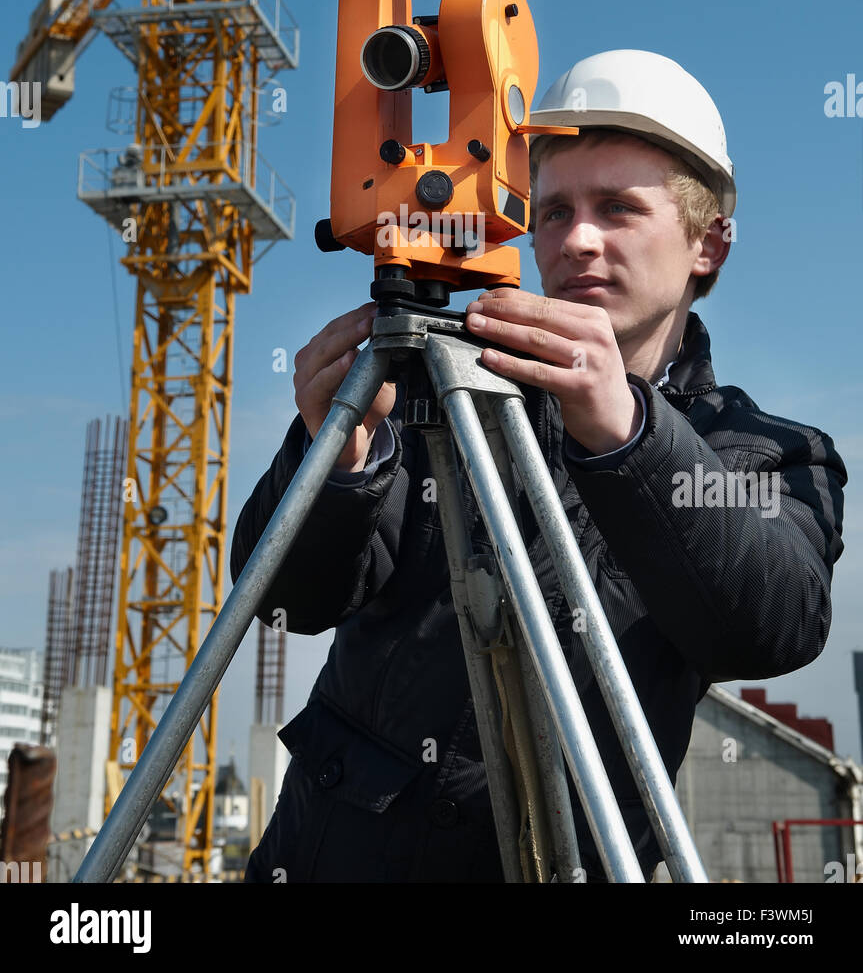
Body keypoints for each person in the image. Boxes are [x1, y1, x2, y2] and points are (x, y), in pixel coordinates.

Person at [230, 49, 846, 883]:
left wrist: (625, 434)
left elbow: (769, 628)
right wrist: (334, 453)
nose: (578, 240)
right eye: (552, 211)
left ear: (708, 245)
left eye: (619, 208)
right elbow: (282, 603)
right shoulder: (438, 392)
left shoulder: (763, 451)